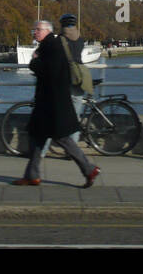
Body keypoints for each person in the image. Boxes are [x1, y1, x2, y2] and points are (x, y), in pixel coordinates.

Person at [12, 20, 101, 188]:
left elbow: (49, 72)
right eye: (35, 29)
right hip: (50, 102)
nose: (34, 32)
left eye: (38, 29)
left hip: (52, 104)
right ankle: (32, 175)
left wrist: (34, 61)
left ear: (47, 31)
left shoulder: (51, 46)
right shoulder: (51, 44)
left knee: (62, 139)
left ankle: (89, 169)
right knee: (38, 138)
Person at [42, 13, 91, 151]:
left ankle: (42, 151)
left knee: (52, 116)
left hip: (64, 82)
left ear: (62, 25)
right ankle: (72, 151)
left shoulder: (61, 40)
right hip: (79, 80)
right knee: (74, 119)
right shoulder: (80, 39)